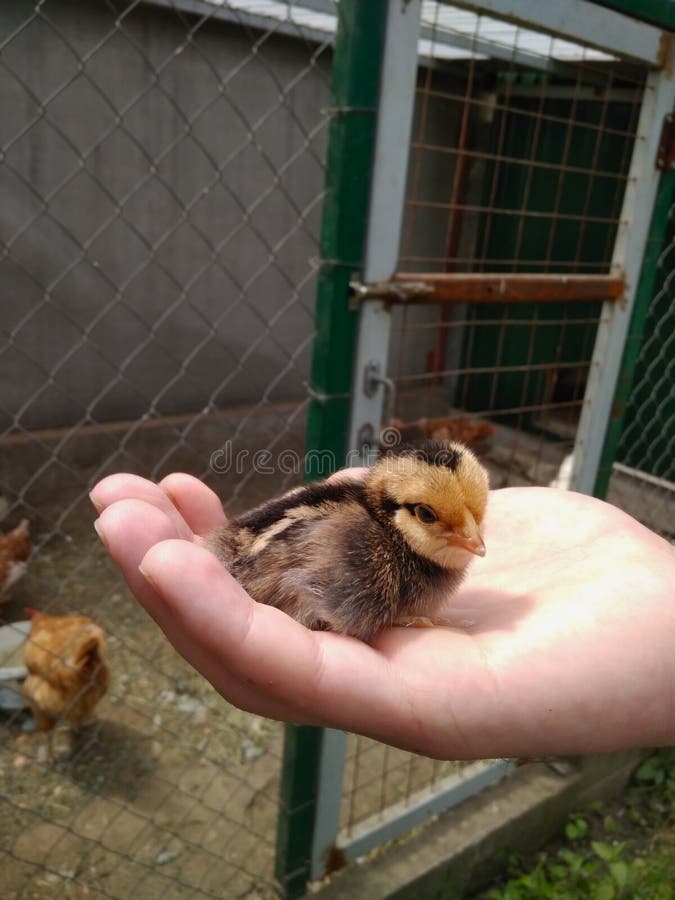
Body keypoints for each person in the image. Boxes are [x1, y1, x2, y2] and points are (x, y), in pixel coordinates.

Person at [90, 471, 675, 759]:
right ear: (399, 511)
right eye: (435, 518)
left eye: (475, 517)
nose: (471, 537)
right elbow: (342, 600)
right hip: (270, 571)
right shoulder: (374, 554)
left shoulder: (417, 532)